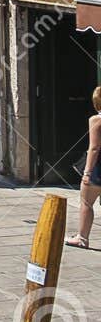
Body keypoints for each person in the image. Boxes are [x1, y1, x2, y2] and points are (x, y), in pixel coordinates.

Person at [67, 85, 101, 248]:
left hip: (98, 169)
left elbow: (94, 148)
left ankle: (82, 238)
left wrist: (87, 173)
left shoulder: (96, 120)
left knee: (86, 203)